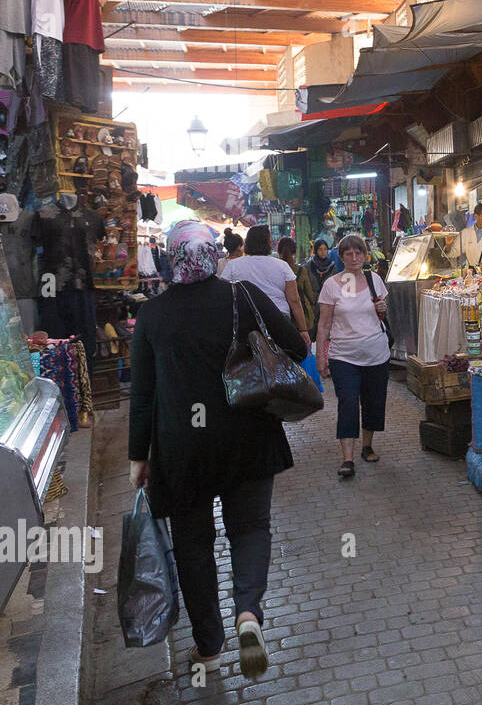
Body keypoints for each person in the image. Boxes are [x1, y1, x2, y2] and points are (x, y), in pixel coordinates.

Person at [128, 220, 309, 679]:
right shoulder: (241, 294)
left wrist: (138, 458)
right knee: (249, 528)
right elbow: (292, 343)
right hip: (247, 434)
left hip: (182, 447)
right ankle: (248, 612)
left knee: (193, 543)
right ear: (212, 255)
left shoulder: (153, 315)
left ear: (173, 258)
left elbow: (143, 394)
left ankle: (208, 646)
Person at [317, 234, 390, 479]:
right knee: (348, 402)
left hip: (376, 353)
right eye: (349, 253)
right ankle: (347, 458)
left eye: (358, 252)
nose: (354, 257)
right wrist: (320, 357)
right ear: (342, 257)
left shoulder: (375, 280)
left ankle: (367, 445)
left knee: (374, 402)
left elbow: (382, 312)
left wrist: (382, 309)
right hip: (343, 356)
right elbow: (324, 325)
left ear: (364, 254)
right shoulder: (331, 285)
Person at [221, 225, 312, 348]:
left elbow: (225, 296)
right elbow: (294, 300)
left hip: (246, 321)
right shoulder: (282, 266)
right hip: (279, 319)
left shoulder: (233, 265)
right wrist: (303, 330)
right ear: (268, 243)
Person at [444, 203, 482, 269]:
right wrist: (448, 245)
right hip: (471, 274)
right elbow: (453, 253)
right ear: (476, 216)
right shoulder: (465, 233)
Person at [296, 238, 334, 340]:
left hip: (327, 302)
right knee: (312, 330)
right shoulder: (308, 266)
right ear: (316, 250)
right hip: (312, 303)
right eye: (320, 249)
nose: (323, 252)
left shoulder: (332, 266)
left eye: (325, 249)